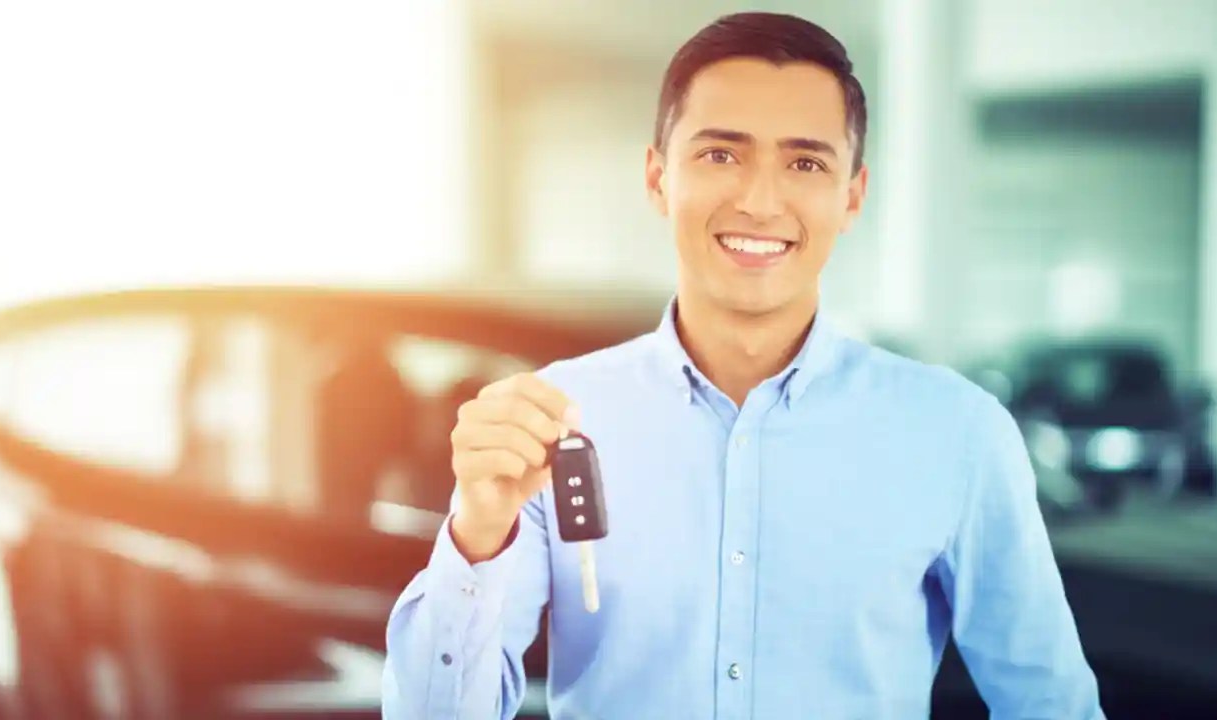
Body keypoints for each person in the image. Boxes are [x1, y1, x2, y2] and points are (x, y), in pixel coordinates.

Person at [382, 11, 1105, 719]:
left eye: (804, 162)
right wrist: (479, 533)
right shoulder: (557, 418)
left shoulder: (958, 433)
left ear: (851, 194)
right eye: (720, 154)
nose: (760, 201)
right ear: (658, 178)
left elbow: (1050, 704)